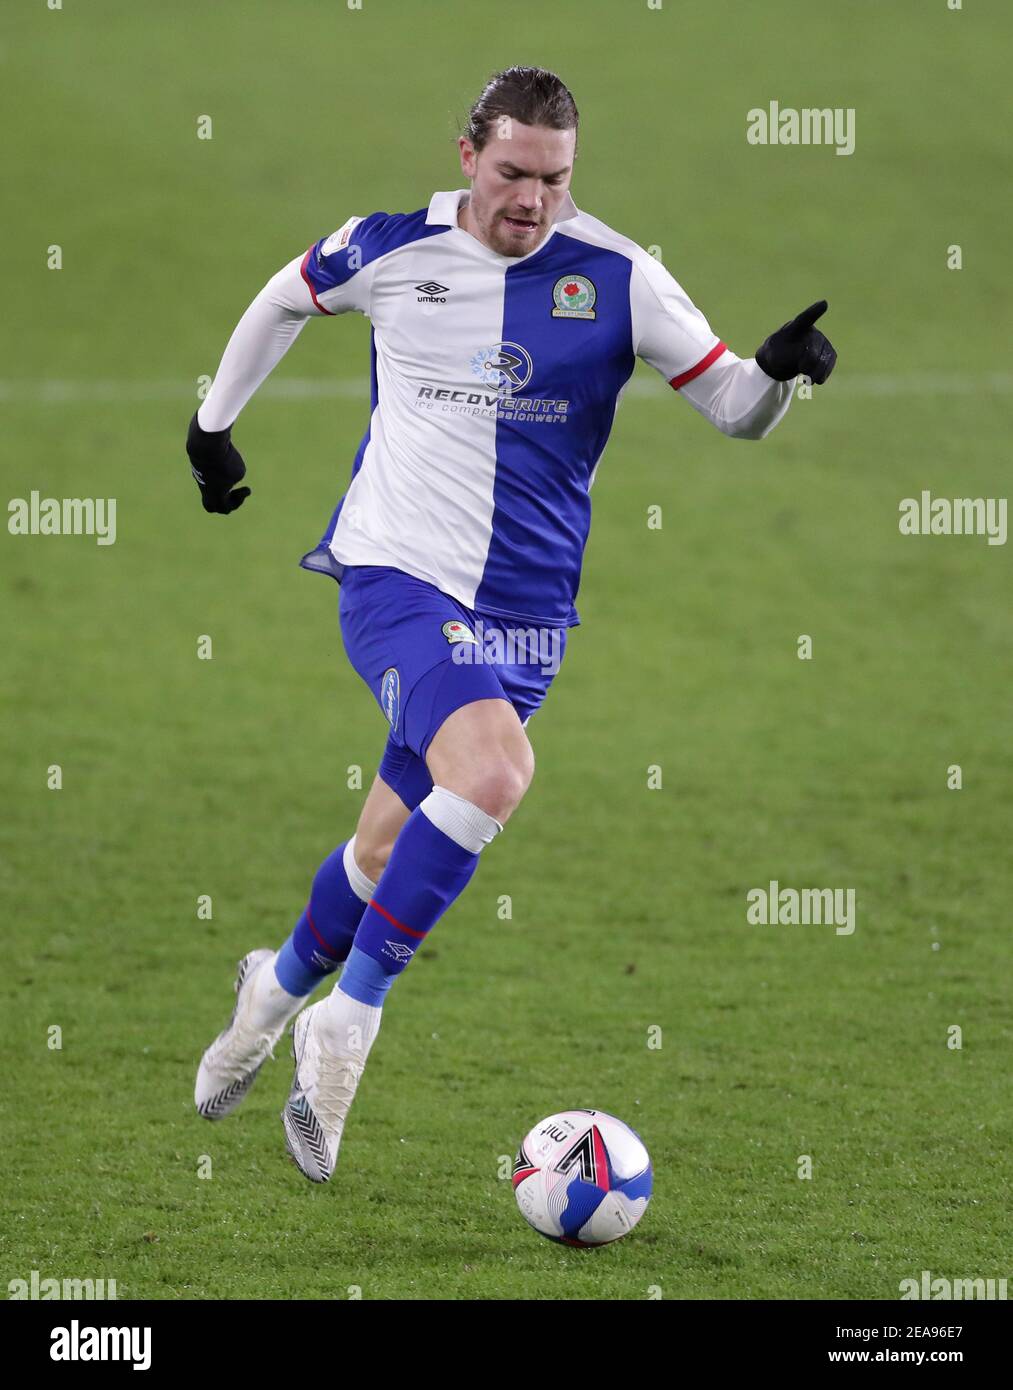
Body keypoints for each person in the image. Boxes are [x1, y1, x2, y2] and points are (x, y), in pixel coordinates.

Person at [187, 65, 836, 1182]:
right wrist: (212, 428)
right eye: (512, 173)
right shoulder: (393, 248)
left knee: (387, 845)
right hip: (394, 579)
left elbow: (731, 403)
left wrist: (777, 375)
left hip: (528, 619)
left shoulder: (621, 277)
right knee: (494, 773)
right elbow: (282, 296)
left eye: (554, 178)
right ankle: (345, 1024)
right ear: (466, 157)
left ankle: (270, 989)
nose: (532, 199)